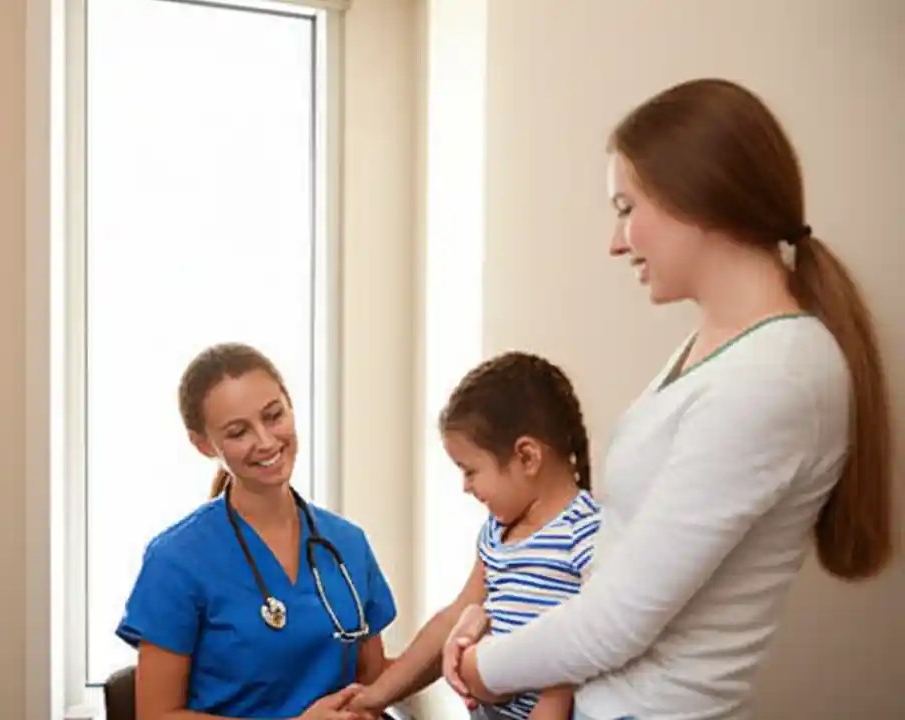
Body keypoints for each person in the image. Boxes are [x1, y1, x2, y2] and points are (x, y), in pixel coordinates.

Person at [443, 78, 894, 719]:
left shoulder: (778, 375)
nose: (616, 240)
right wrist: (489, 626)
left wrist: (480, 668)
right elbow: (617, 564)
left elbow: (621, 619)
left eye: (626, 207)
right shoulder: (718, 348)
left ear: (698, 196)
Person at [116, 342, 398, 720]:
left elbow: (374, 683)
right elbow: (156, 716)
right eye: (238, 432)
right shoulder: (176, 560)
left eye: (273, 415)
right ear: (203, 445)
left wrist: (466, 657)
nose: (265, 441)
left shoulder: (346, 544)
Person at [349, 352, 601, 720]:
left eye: (470, 471)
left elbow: (584, 655)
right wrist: (376, 696)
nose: (465, 487)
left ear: (527, 458)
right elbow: (452, 618)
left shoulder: (587, 534)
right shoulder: (499, 533)